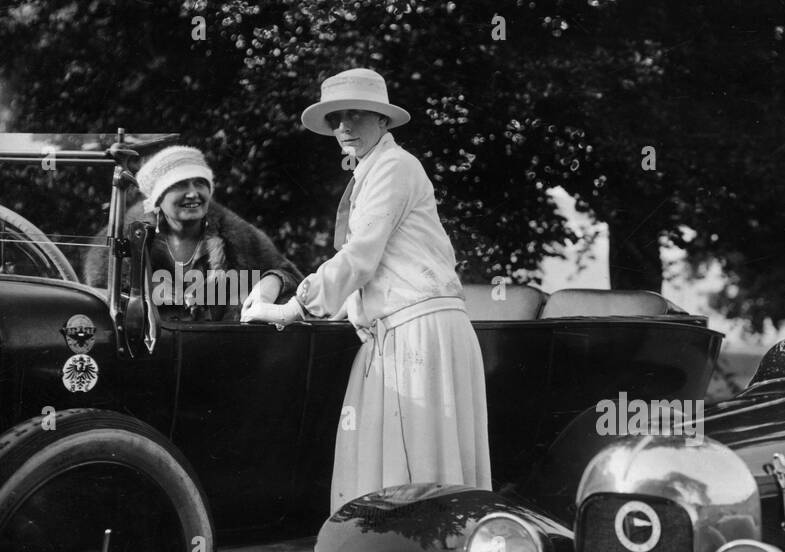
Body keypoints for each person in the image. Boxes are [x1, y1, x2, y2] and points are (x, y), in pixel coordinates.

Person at [242, 68, 491, 509]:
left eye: (355, 114)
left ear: (383, 120)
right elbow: (377, 269)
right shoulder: (373, 172)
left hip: (420, 335)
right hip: (396, 334)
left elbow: (360, 257)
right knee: (387, 472)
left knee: (419, 478)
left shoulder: (395, 167)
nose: (343, 127)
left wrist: (288, 309)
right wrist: (334, 309)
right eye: (336, 118)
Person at [84, 145, 300, 320]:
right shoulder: (125, 241)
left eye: (200, 183)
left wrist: (273, 281)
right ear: (157, 197)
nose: (193, 193)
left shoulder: (239, 238)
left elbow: (293, 279)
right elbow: (101, 307)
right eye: (179, 185)